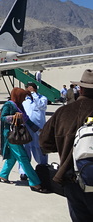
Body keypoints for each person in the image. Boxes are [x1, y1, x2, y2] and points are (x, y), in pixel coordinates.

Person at [40, 69, 93, 221]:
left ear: (80, 88)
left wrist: (66, 146)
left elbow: (44, 143)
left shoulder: (63, 112)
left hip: (72, 179)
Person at [0, 87, 47, 192]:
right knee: (23, 158)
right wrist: (13, 117)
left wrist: (38, 130)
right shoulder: (8, 105)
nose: (24, 99)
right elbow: (2, 118)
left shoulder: (19, 105)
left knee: (13, 157)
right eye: (23, 97)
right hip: (11, 136)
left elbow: (26, 119)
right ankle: (35, 183)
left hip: (17, 135)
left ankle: (3, 175)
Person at [19, 82, 48, 180]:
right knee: (25, 149)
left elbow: (42, 107)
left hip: (38, 129)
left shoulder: (42, 98)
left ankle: (43, 167)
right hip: (26, 128)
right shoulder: (24, 101)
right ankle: (24, 171)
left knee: (39, 148)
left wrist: (34, 95)